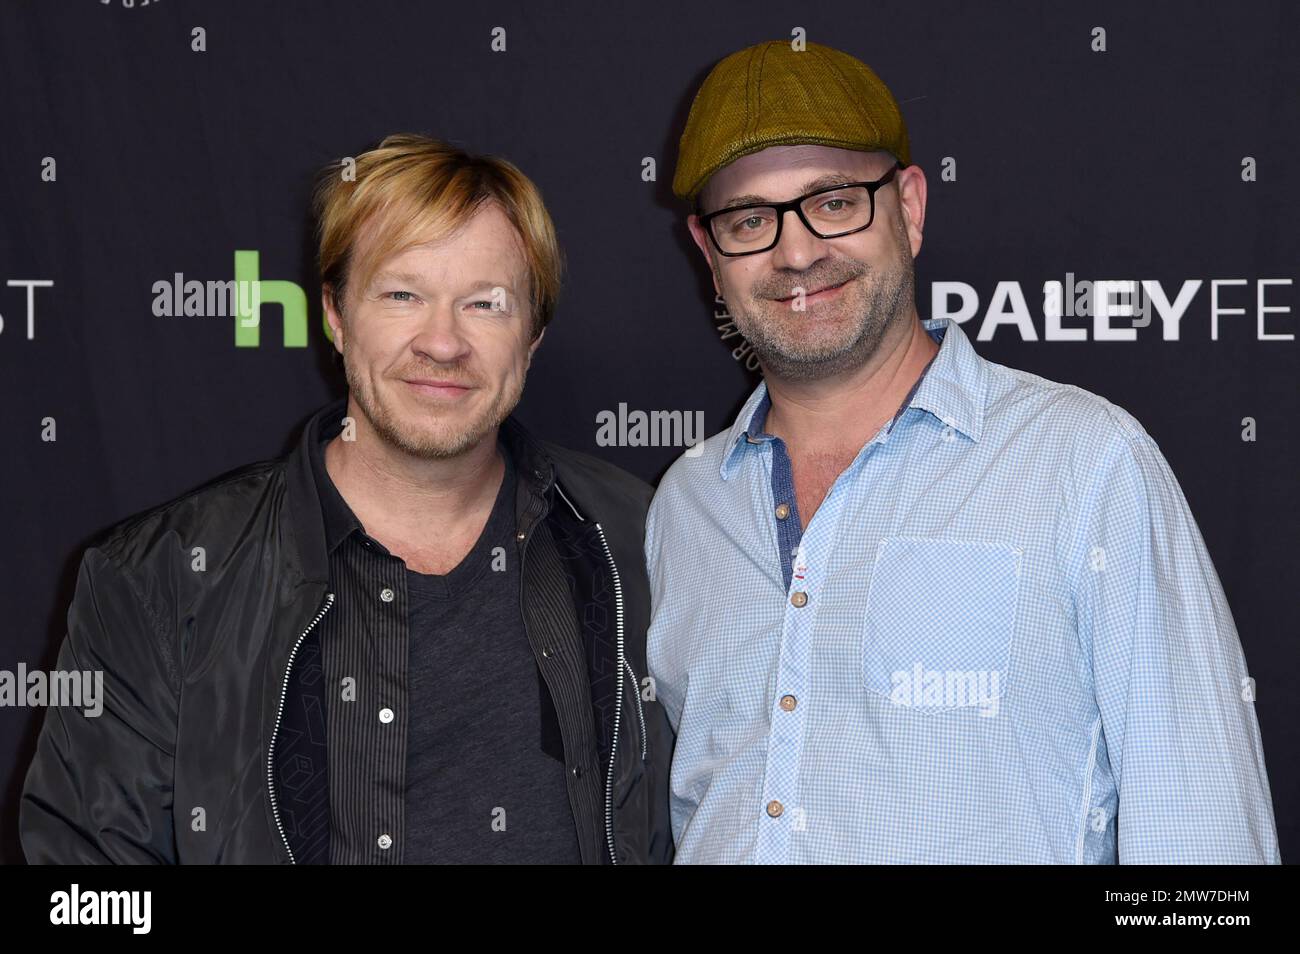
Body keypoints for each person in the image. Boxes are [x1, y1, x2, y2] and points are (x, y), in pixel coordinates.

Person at [644, 40, 1280, 863]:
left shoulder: (1087, 466)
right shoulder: (685, 506)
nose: (796, 252)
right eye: (750, 220)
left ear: (908, 207)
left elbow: (1207, 859)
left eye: (834, 201)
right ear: (709, 252)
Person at [21, 134, 673, 864]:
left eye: (485, 304)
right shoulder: (159, 579)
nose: (443, 342)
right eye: (402, 295)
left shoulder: (643, 540)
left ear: (532, 337)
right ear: (334, 315)